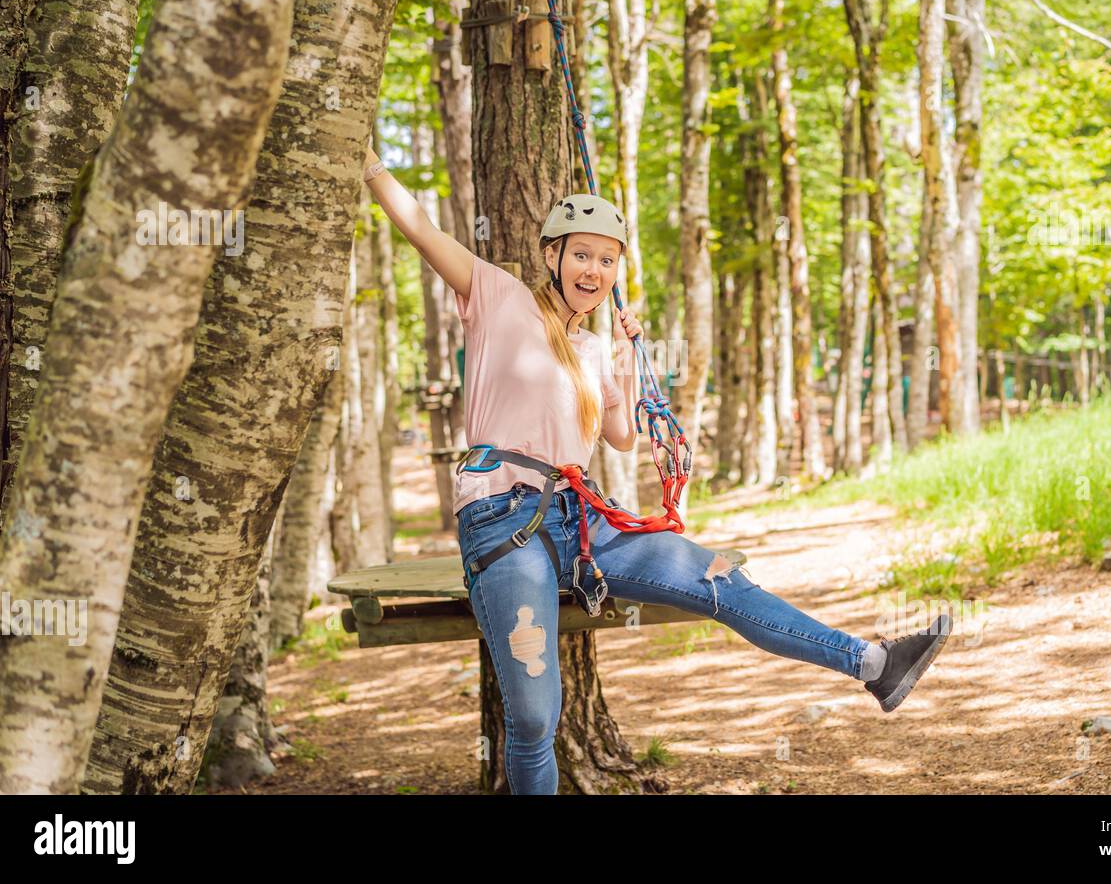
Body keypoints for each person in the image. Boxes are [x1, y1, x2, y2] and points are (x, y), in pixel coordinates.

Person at [363, 147, 951, 794]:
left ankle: (872, 663)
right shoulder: (498, 297)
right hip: (504, 518)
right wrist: (369, 166)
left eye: (607, 259)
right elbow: (418, 225)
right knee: (534, 717)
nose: (594, 268)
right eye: (581, 253)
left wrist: (622, 363)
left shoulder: (593, 349)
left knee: (720, 579)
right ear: (552, 256)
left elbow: (616, 439)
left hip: (581, 519)